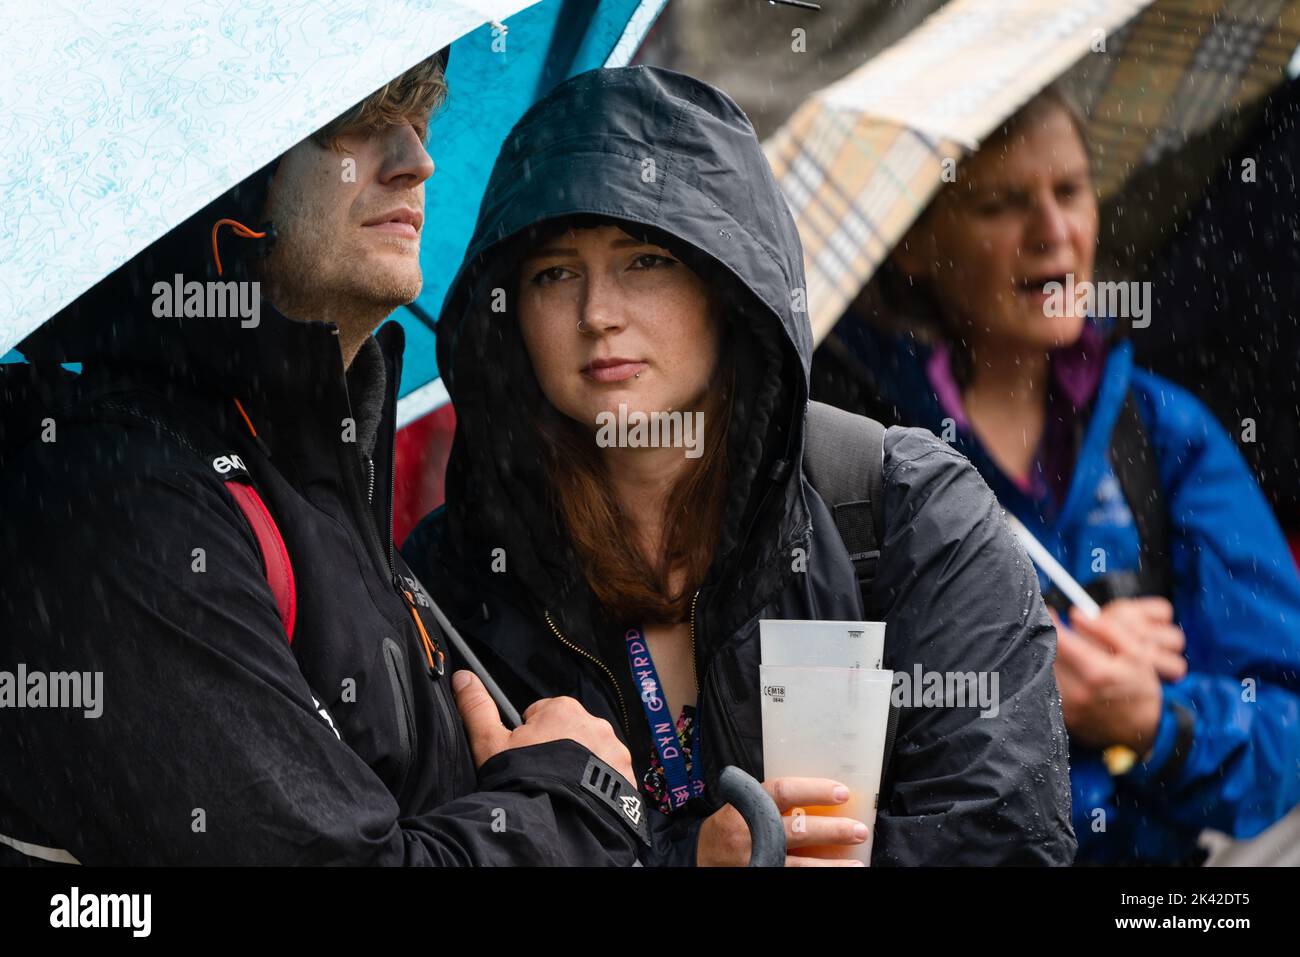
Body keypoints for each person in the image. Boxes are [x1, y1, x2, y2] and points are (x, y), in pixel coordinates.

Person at [402, 65, 1077, 866]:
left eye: (644, 260)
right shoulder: (448, 586)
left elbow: (1009, 847)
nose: (597, 314)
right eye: (554, 274)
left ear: (727, 285)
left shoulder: (907, 512)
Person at [0, 49, 649, 865]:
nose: (418, 162)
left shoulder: (321, 477)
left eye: (418, 120)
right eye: (357, 119)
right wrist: (569, 805)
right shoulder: (123, 503)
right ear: (226, 171)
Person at [810, 86, 1300, 864]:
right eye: (1002, 204)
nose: (1054, 233)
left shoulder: (1162, 432)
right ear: (913, 241)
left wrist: (1152, 719)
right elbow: (813, 733)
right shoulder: (856, 458)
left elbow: (1286, 715)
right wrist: (1024, 690)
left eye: (1070, 191)